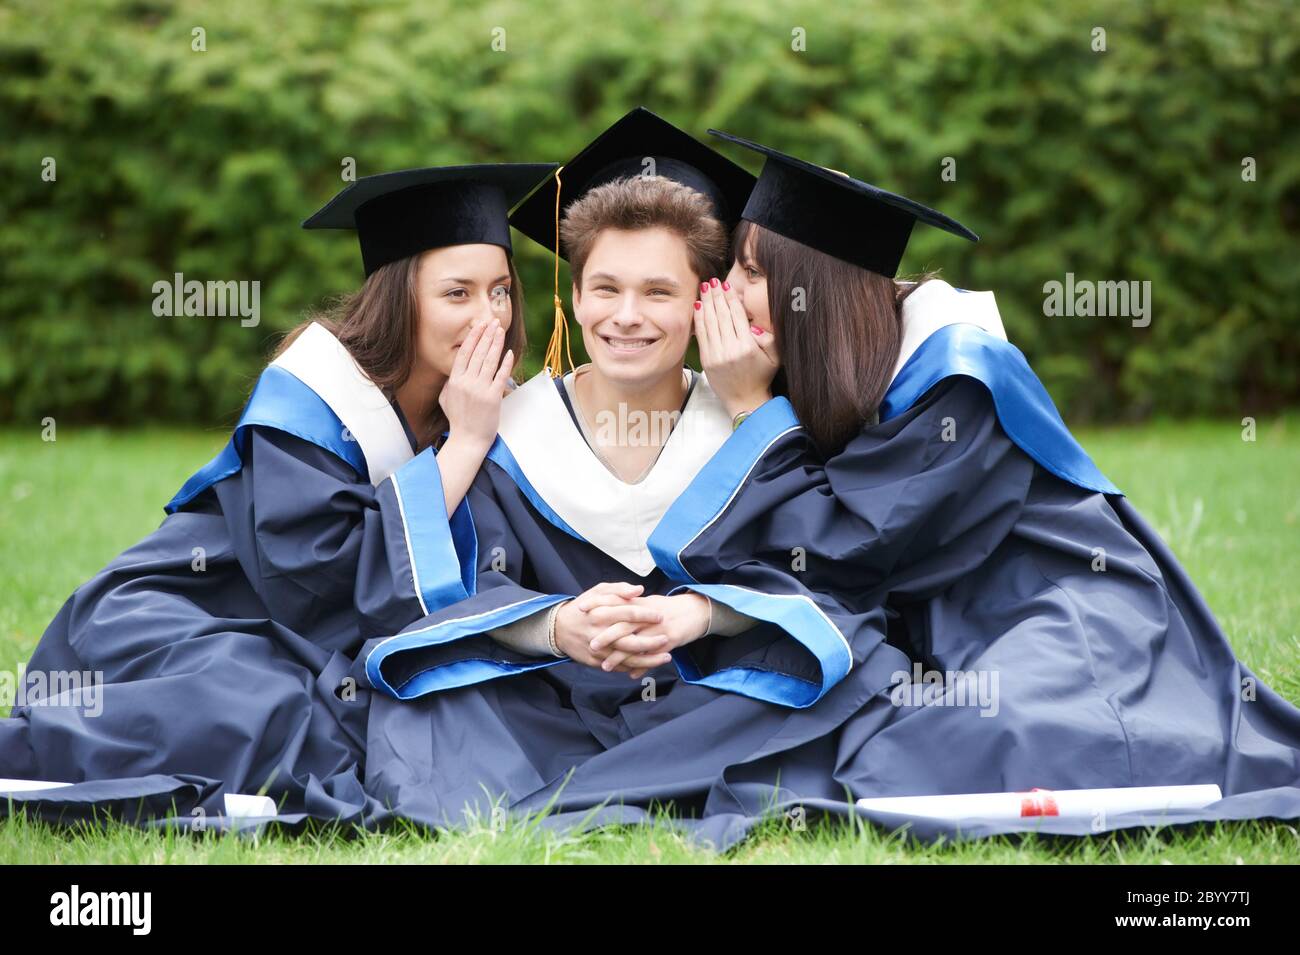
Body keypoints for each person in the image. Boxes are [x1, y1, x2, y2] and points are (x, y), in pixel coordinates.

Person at [635, 128, 1300, 845]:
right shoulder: (828, 369)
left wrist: (749, 411)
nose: (725, 296)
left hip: (1062, 607)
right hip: (948, 625)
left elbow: (849, 549)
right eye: (732, 267)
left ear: (813, 295)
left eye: (751, 275)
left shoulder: (955, 375)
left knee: (985, 737)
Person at [345, 110, 912, 840]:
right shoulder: (512, 429)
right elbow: (426, 601)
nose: (627, 316)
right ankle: (663, 784)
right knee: (421, 692)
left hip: (702, 696)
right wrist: (554, 625)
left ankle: (582, 792)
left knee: (861, 665)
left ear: (708, 300)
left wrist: (700, 616)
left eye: (659, 292)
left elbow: (819, 584)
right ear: (574, 298)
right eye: (605, 289)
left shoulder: (749, 427)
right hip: (545, 703)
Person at [0, 163, 553, 828]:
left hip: (284, 641)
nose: (488, 317)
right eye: (457, 293)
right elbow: (324, 589)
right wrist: (462, 447)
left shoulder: (491, 407)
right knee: (278, 711)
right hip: (181, 617)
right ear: (400, 298)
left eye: (501, 291)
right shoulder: (313, 397)